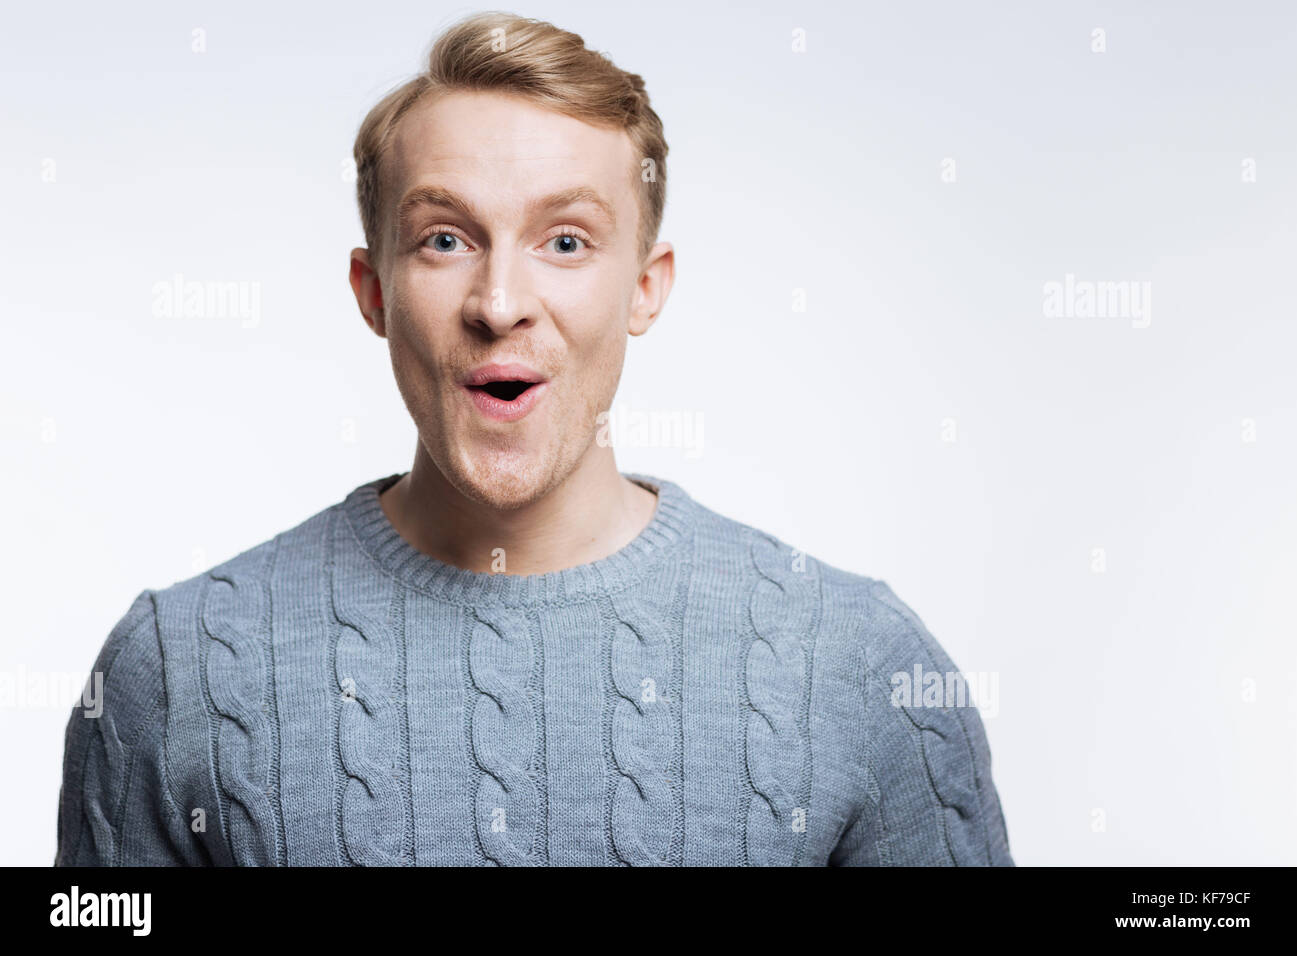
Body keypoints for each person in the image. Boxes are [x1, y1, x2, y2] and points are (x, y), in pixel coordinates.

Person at [55, 10, 1012, 866]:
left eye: (565, 241)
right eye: (445, 239)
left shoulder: (857, 663)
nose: (500, 303)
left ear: (647, 286)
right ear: (373, 292)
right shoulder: (175, 670)